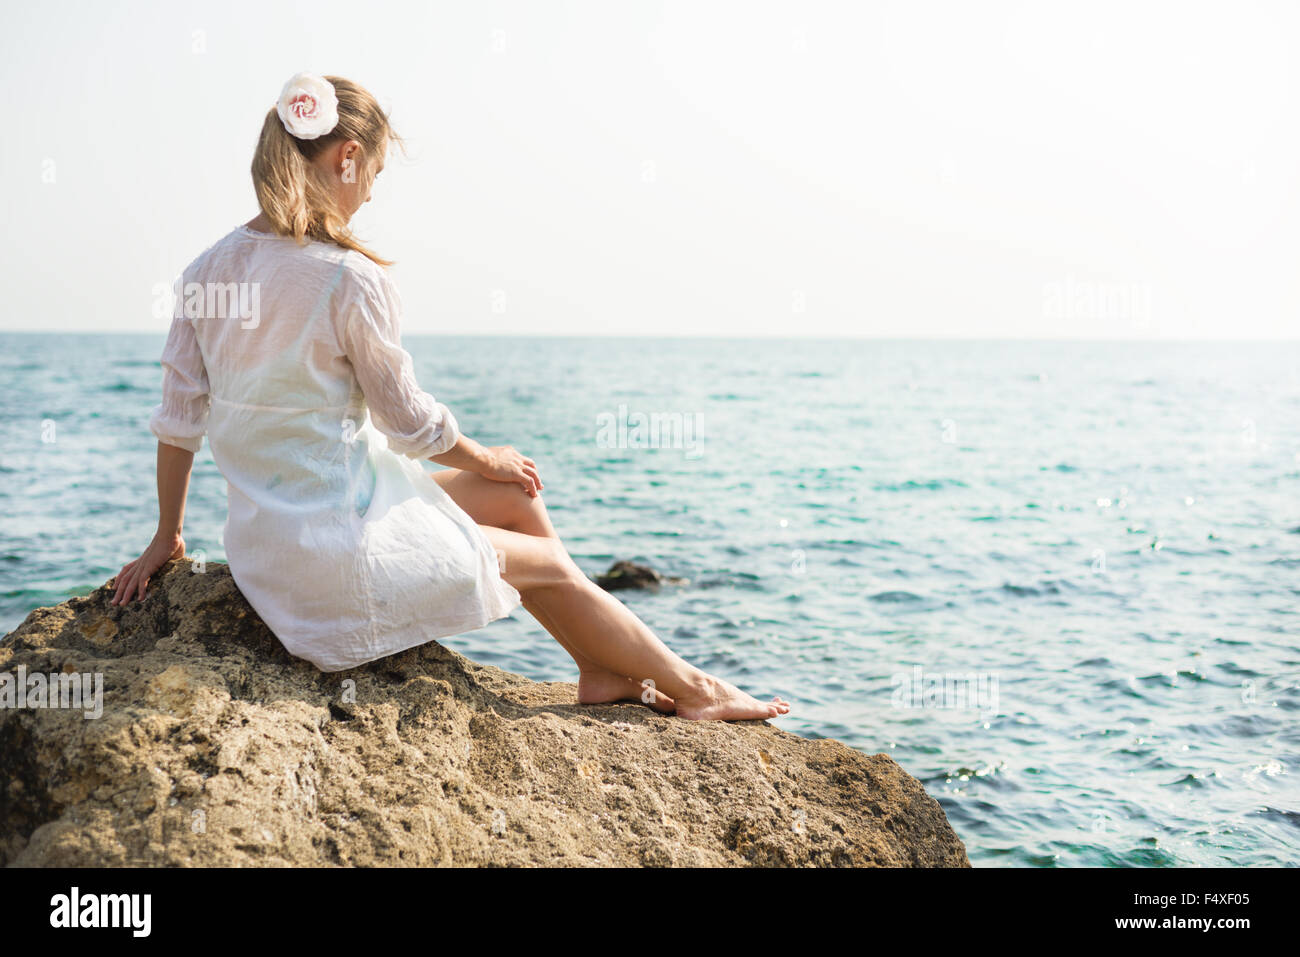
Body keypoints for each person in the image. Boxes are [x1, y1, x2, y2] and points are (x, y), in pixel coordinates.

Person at [111, 72, 790, 722]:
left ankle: (601, 665)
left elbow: (179, 423)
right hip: (336, 566)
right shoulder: (347, 278)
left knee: (516, 497)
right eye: (372, 175)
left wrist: (166, 535)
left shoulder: (205, 272)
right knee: (547, 559)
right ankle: (694, 687)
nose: (370, 195)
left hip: (272, 555)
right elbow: (406, 422)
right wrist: (482, 454)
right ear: (348, 157)